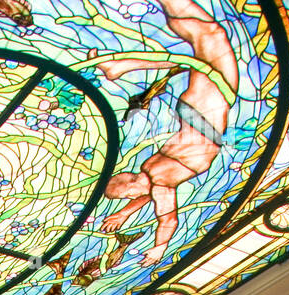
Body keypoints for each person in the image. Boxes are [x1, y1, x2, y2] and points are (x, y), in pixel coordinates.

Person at [97, 0, 239, 265]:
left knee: (211, 38)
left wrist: (159, 249)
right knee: (207, 42)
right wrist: (125, 214)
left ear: (129, 187)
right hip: (193, 115)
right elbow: (146, 194)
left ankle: (124, 65)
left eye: (127, 197)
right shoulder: (150, 172)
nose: (131, 199)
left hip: (205, 117)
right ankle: (125, 65)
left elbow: (168, 218)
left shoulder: (161, 183)